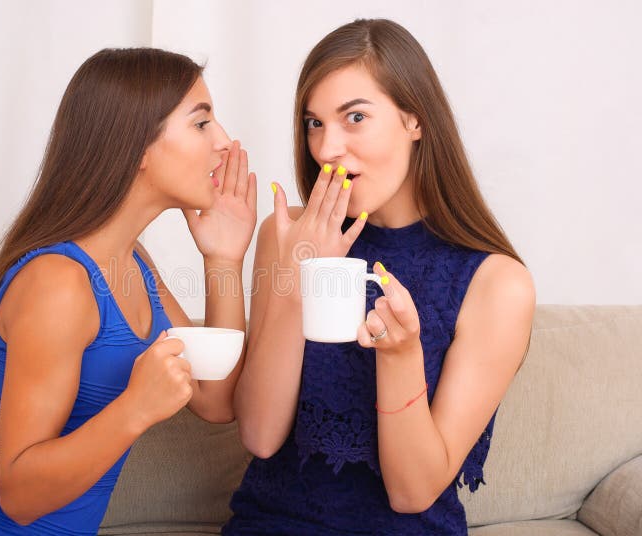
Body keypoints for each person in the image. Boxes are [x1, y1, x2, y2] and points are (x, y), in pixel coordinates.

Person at [0, 47, 257, 535]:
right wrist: (134, 408)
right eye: (201, 123)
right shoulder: (59, 282)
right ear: (137, 147)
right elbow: (20, 498)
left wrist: (223, 260)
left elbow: (216, 401)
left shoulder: (135, 265)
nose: (224, 142)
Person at [225, 18, 535, 535]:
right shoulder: (287, 235)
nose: (326, 149)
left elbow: (412, 493)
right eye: (314, 123)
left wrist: (401, 356)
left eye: (355, 117)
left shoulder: (496, 284)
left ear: (415, 120)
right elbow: (259, 435)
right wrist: (299, 280)